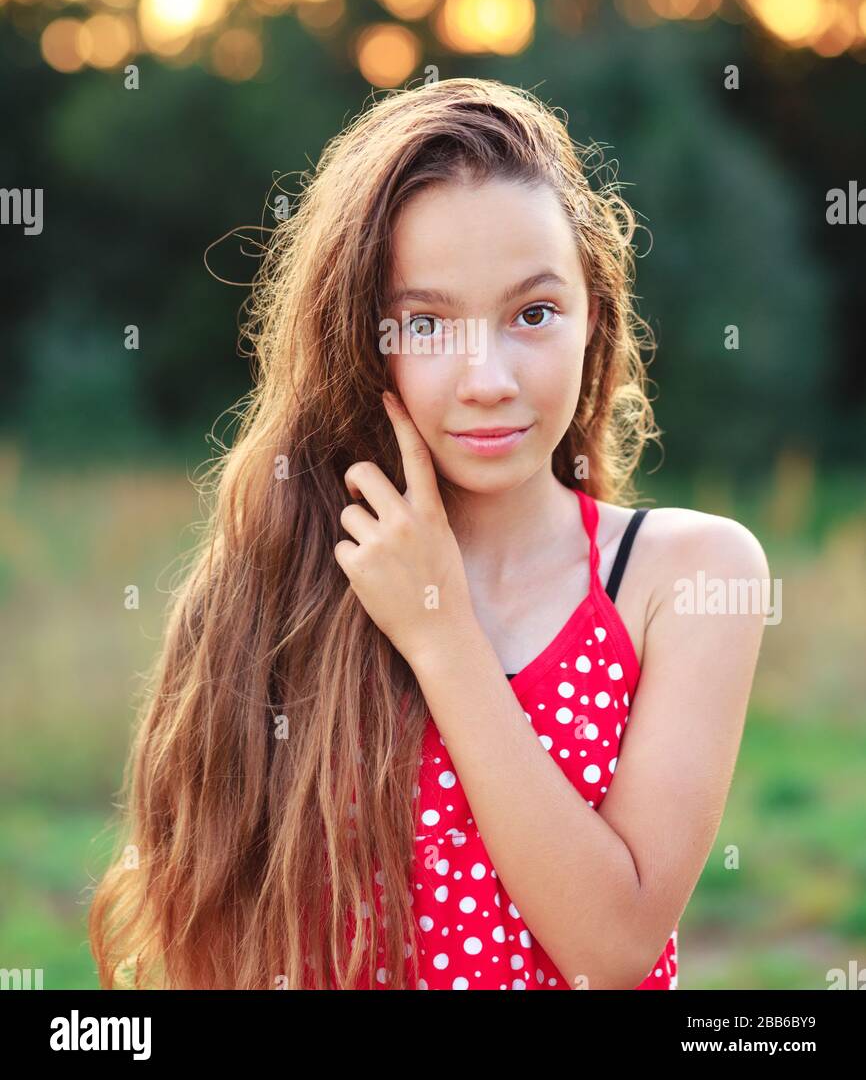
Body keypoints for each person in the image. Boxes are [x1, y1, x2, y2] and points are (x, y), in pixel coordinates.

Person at [88, 77, 769, 991]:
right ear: (360, 340)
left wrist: (441, 629)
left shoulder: (686, 574)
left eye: (533, 313)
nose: (486, 378)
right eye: (426, 322)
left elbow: (614, 952)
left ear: (593, 316)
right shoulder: (279, 577)